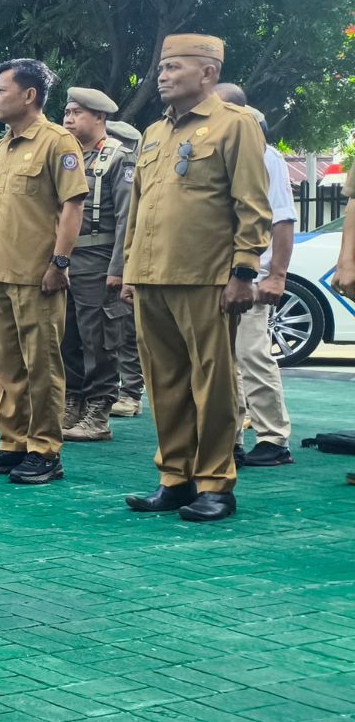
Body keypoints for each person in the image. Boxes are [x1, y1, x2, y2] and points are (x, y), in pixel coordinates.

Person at [121, 37, 272, 522]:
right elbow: (138, 210)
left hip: (207, 278)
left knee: (214, 385)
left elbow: (252, 206)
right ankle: (175, 478)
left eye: (173, 67)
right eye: (161, 66)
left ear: (207, 72)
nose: (162, 75)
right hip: (151, 277)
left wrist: (244, 272)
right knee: (164, 383)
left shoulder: (236, 125)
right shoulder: (152, 133)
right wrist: (129, 271)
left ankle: (215, 484)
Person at [0, 59, 87, 485]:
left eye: (1, 90)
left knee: (43, 366)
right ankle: (12, 444)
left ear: (29, 95)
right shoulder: (2, 146)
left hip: (37, 274)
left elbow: (73, 205)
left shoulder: (58, 142)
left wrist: (59, 262)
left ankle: (44, 451)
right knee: (8, 366)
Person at [215, 84, 295, 469]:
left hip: (251, 275)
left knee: (251, 354)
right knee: (222, 363)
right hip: (213, 276)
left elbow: (281, 218)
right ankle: (229, 439)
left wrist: (276, 275)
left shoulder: (265, 155)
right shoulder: (208, 151)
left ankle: (273, 437)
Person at [57, 87, 133, 444]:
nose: (68, 119)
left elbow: (126, 219)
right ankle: (72, 403)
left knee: (99, 341)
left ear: (100, 117)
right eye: (67, 112)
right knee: (66, 338)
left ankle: (98, 412)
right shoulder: (65, 157)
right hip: (65, 263)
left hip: (100, 262)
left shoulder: (118, 158)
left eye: (77, 113)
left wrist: (119, 269)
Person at [103, 119, 147, 417]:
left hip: (121, 260)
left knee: (124, 330)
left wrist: (120, 266)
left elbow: (125, 221)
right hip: (97, 260)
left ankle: (131, 392)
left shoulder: (125, 169)